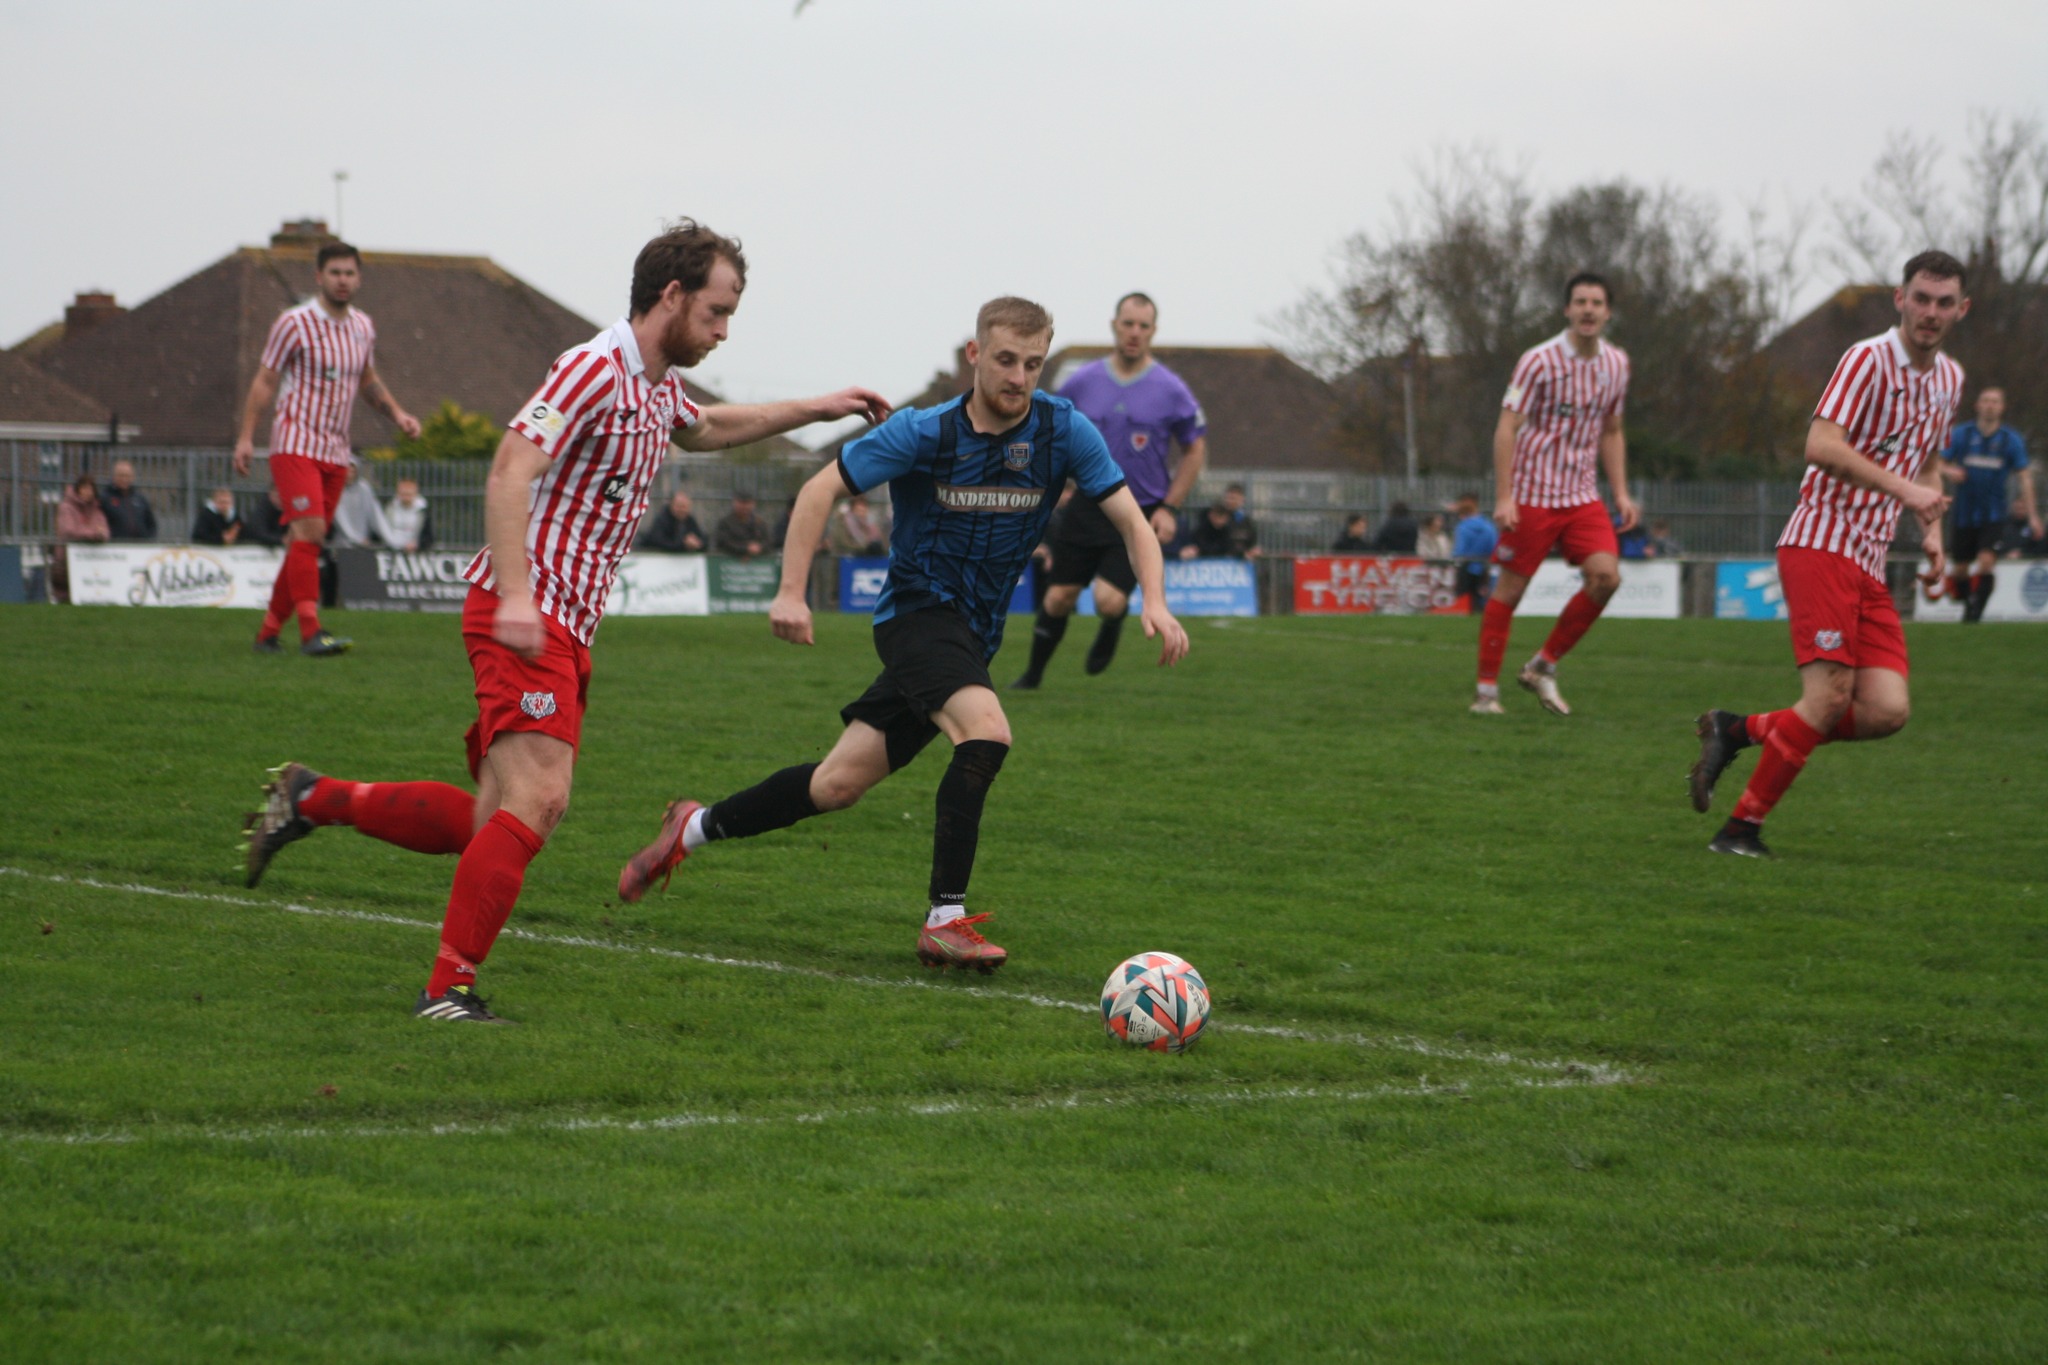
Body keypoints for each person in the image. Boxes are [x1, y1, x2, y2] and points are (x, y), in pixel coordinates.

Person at [238, 219, 889, 1022]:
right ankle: (448, 988)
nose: (723, 332)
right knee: (540, 799)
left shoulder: (652, 385)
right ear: (672, 295)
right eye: (717, 313)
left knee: (493, 815)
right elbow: (511, 468)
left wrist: (819, 407)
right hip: (528, 610)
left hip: (566, 624)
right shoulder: (593, 368)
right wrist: (516, 595)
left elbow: (711, 427)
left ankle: (313, 798)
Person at [614, 296, 1188, 973]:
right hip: (916, 616)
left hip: (972, 638)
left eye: (1033, 364)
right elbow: (818, 490)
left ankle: (693, 826)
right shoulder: (924, 432)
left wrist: (1155, 597)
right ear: (975, 355)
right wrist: (792, 591)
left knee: (835, 785)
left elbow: (1130, 518)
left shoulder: (1065, 431)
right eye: (1005, 360)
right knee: (987, 732)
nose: (1018, 377)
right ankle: (945, 919)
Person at [1688, 251, 1967, 858]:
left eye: (1944, 302)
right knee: (1828, 699)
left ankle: (1737, 730)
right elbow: (1820, 444)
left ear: (1960, 310)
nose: (1931, 312)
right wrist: (1905, 490)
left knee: (1886, 711)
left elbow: (1925, 460)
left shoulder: (1950, 379)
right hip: (1820, 540)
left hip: (1868, 559)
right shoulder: (1867, 360)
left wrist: (1931, 527)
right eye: (1921, 298)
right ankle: (1739, 831)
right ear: (1900, 298)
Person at [233, 240, 421, 657]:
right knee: (311, 532)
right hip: (295, 443)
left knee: (306, 542)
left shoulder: (362, 327)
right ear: (319, 276)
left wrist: (399, 415)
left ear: (359, 279)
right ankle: (311, 631)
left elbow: (368, 381)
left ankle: (267, 634)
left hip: (337, 452)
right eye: (335, 272)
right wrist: (247, 436)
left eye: (350, 273)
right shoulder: (293, 322)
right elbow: (265, 381)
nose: (343, 280)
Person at [1011, 292, 1206, 689]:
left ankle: (1112, 625)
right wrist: (1055, 483)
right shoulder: (1082, 381)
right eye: (1128, 323)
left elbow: (1195, 448)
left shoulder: (1171, 390)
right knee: (1057, 599)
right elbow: (1048, 431)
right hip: (1088, 504)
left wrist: (1170, 507)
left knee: (1108, 600)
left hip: (1140, 508)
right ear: (1114, 325)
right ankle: (1031, 677)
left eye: (1143, 326)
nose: (1135, 332)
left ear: (1153, 331)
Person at [1471, 272, 1638, 716]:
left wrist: (1620, 492)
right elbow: (1507, 426)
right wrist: (1505, 496)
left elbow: (1613, 430)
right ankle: (1486, 694)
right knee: (1511, 589)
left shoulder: (1617, 364)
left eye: (1596, 303)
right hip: (1531, 493)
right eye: (1580, 301)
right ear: (1567, 310)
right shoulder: (1538, 361)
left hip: (1582, 495)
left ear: (1607, 312)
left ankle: (1543, 666)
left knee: (1607, 578)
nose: (1588, 309)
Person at [1937, 386, 2038, 621]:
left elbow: (2024, 476)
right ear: (1977, 405)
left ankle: (1974, 615)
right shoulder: (1962, 434)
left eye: (1995, 401)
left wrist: (2032, 515)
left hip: (1993, 514)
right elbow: (1936, 464)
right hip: (1963, 514)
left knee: (1985, 562)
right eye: (1986, 401)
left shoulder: (2010, 440)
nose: (1990, 405)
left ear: (2002, 408)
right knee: (1960, 570)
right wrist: (1949, 470)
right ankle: (1967, 600)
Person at [50, 472, 110, 602]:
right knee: (65, 599)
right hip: (65, 562)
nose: (88, 492)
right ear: (77, 490)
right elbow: (69, 531)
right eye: (84, 488)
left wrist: (96, 534)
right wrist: (93, 534)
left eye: (90, 489)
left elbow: (105, 533)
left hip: (90, 562)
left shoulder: (96, 510)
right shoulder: (66, 508)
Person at [330, 462, 396, 549]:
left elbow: (375, 516)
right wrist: (355, 539)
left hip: (364, 543)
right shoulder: (336, 488)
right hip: (341, 544)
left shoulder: (364, 489)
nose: (349, 474)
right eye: (346, 470)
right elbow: (340, 518)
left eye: (352, 471)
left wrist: (391, 540)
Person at [1450, 493, 1498, 611]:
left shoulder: (1463, 526)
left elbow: (1459, 550)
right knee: (1480, 601)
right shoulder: (1488, 526)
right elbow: (1494, 546)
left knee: (1462, 602)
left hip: (1465, 566)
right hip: (1483, 566)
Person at [100, 460, 158, 541]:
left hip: (140, 547)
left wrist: (149, 539)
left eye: (127, 476)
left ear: (132, 477)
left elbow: (151, 523)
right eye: (121, 475)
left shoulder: (140, 498)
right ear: (114, 477)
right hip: (115, 547)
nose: (124, 479)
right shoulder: (105, 498)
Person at [637, 488, 706, 553]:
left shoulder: (690, 520)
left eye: (684, 507)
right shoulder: (663, 519)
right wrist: (684, 544)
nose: (681, 510)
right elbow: (659, 542)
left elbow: (703, 540)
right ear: (671, 505)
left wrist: (697, 544)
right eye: (679, 506)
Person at [1186, 500, 1256, 559]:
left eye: (1222, 518)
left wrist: (1243, 554)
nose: (1219, 521)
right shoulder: (1201, 530)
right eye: (1217, 517)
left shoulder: (1227, 530)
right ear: (1210, 515)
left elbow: (1231, 547)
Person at [384, 478, 434, 553]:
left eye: (408, 494)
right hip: (392, 552)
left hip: (414, 554)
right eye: (403, 494)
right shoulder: (390, 510)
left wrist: (418, 544)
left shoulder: (423, 512)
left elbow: (428, 537)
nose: (406, 498)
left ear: (415, 494)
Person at [714, 493, 771, 558]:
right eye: (741, 503)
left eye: (747, 503)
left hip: (758, 563)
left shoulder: (759, 523)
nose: (744, 506)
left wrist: (759, 547)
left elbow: (768, 542)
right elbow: (723, 543)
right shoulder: (725, 523)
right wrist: (745, 549)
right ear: (734, 503)